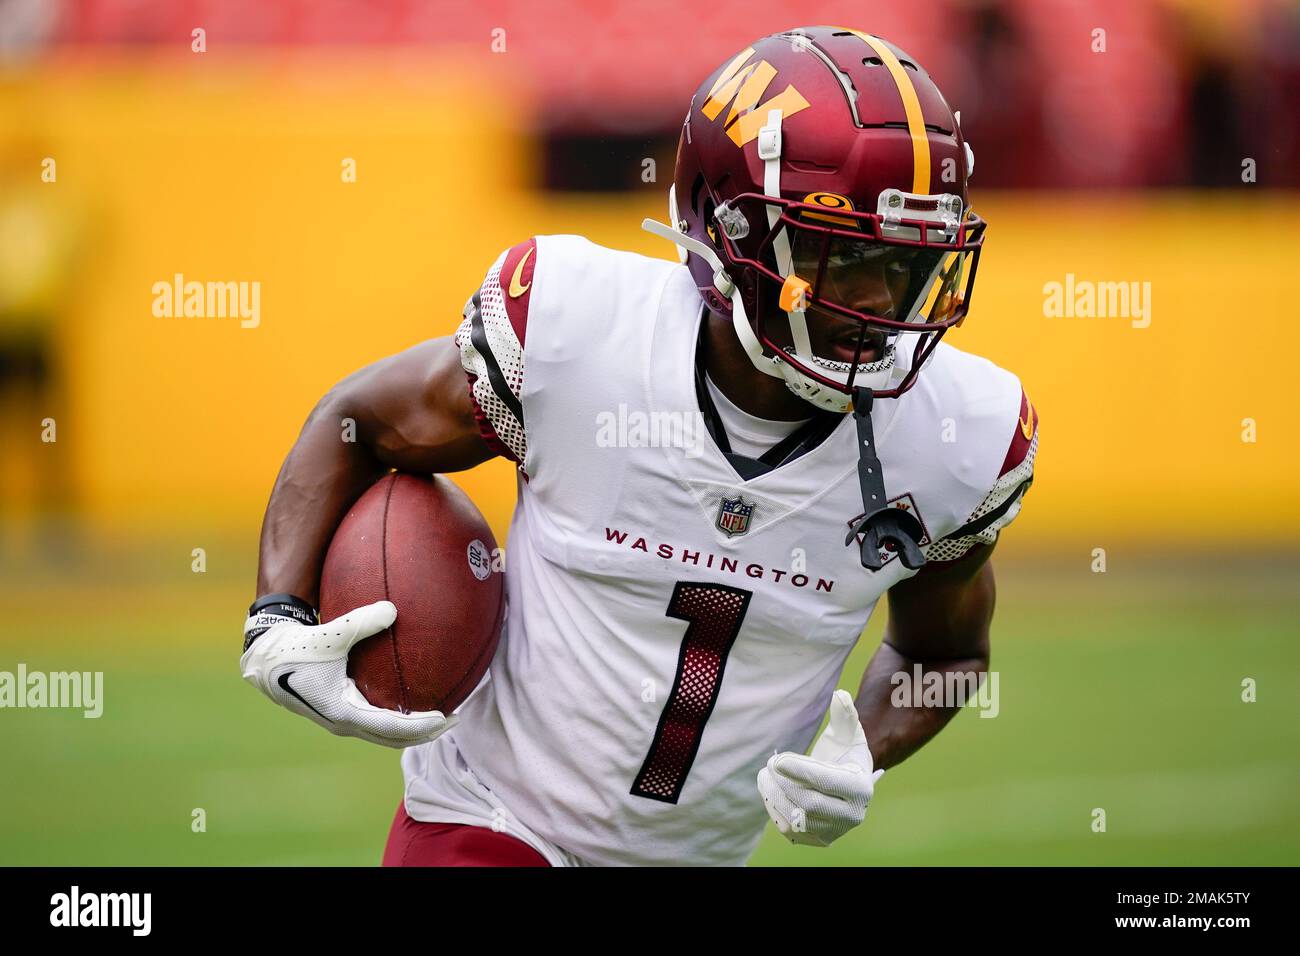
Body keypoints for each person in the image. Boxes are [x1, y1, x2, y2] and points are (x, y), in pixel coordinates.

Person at [241, 26, 1039, 867]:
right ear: (727, 232)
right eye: (842, 260)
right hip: (491, 820)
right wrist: (277, 615)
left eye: (907, 267)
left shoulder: (959, 437)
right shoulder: (579, 333)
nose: (880, 305)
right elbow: (355, 420)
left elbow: (944, 652)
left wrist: (865, 749)